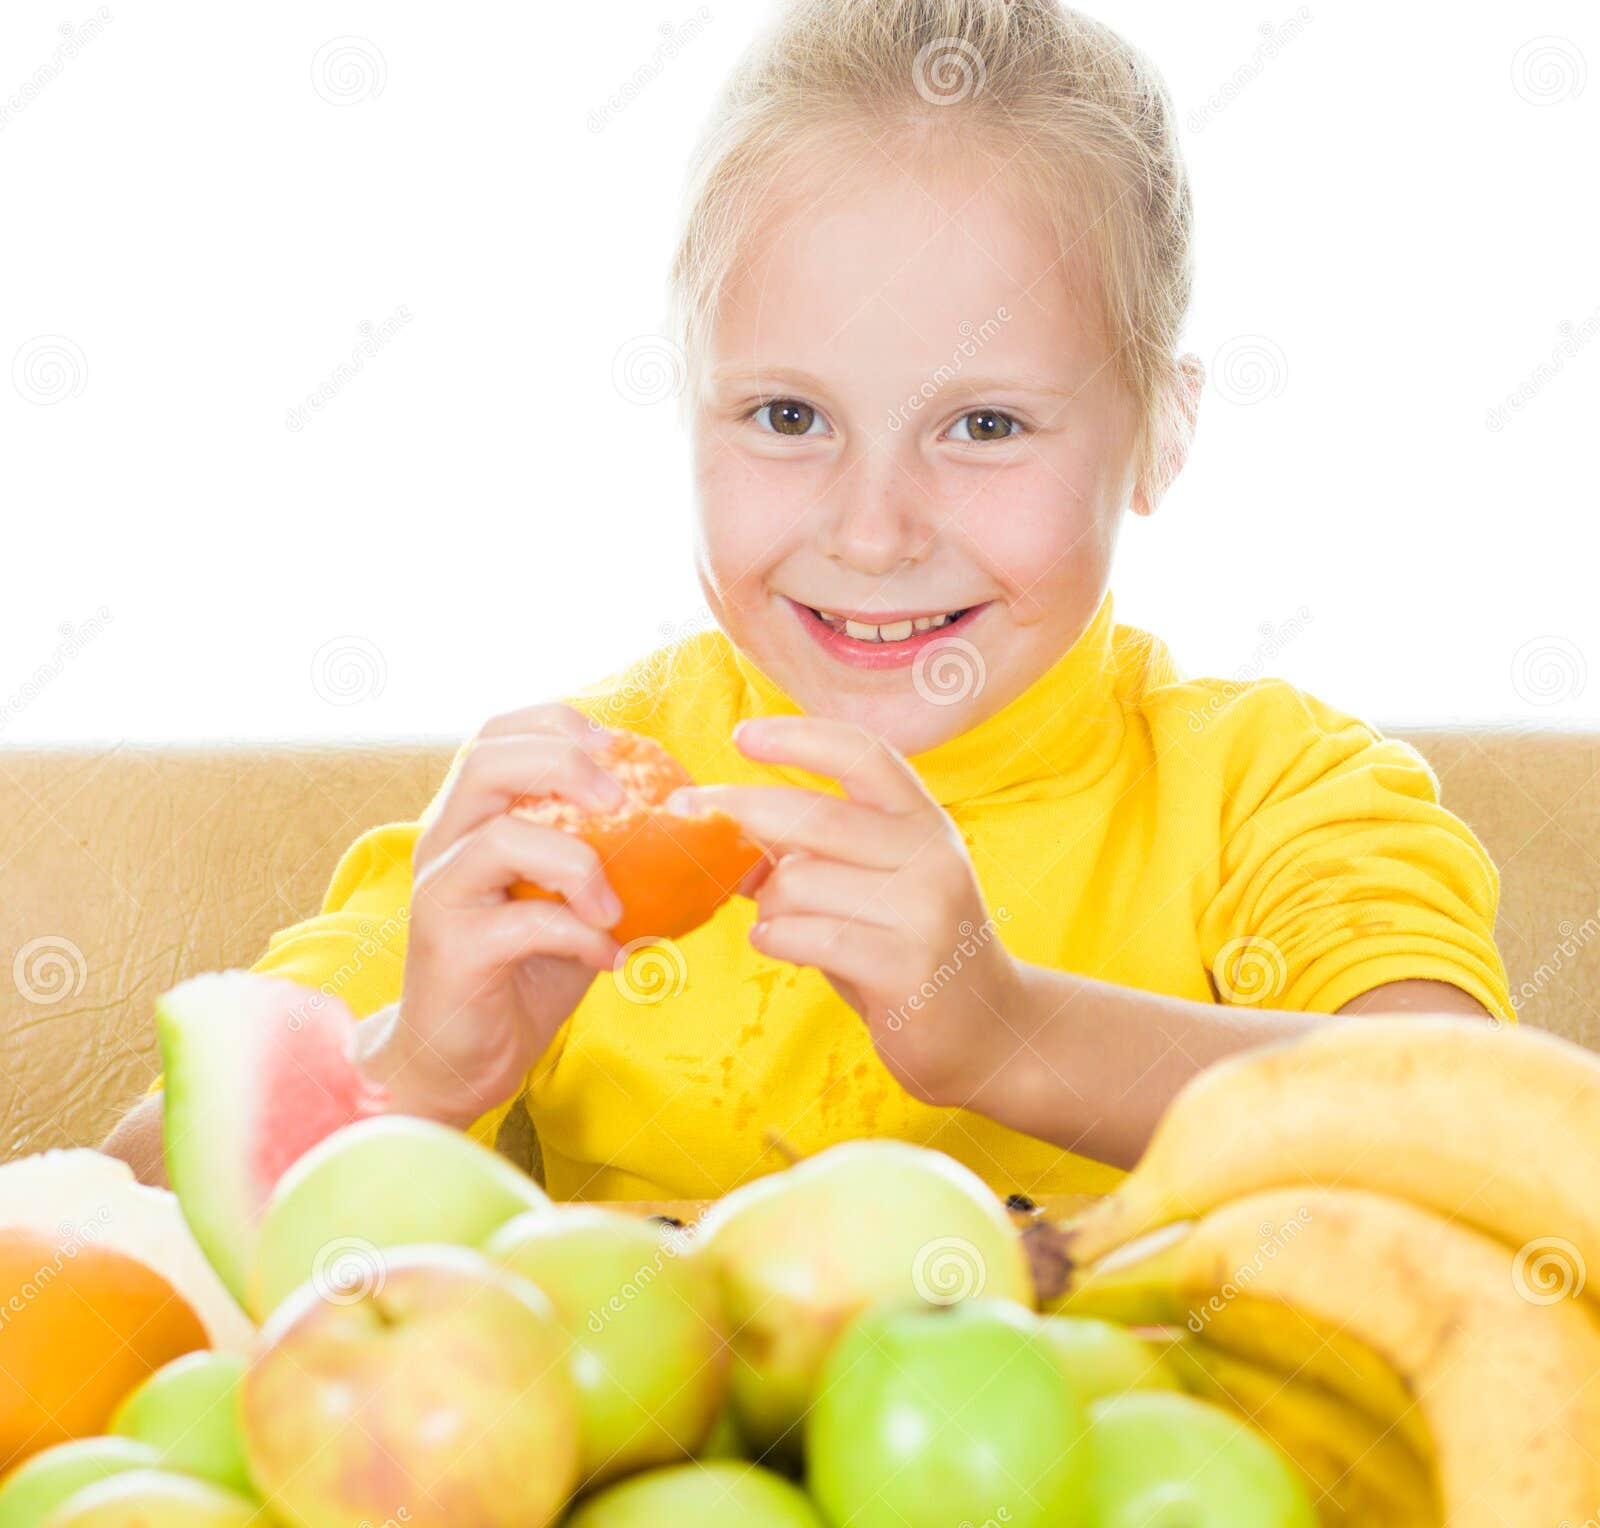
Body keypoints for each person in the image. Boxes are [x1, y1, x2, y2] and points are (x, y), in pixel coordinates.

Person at [107, 0, 1511, 1202]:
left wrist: (1007, 1034)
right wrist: (414, 1067)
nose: (875, 527)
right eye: (788, 414)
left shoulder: (1272, 791)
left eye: (986, 426)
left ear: (1161, 431)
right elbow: (114, 1211)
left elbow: (1496, 1129)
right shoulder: (563, 806)